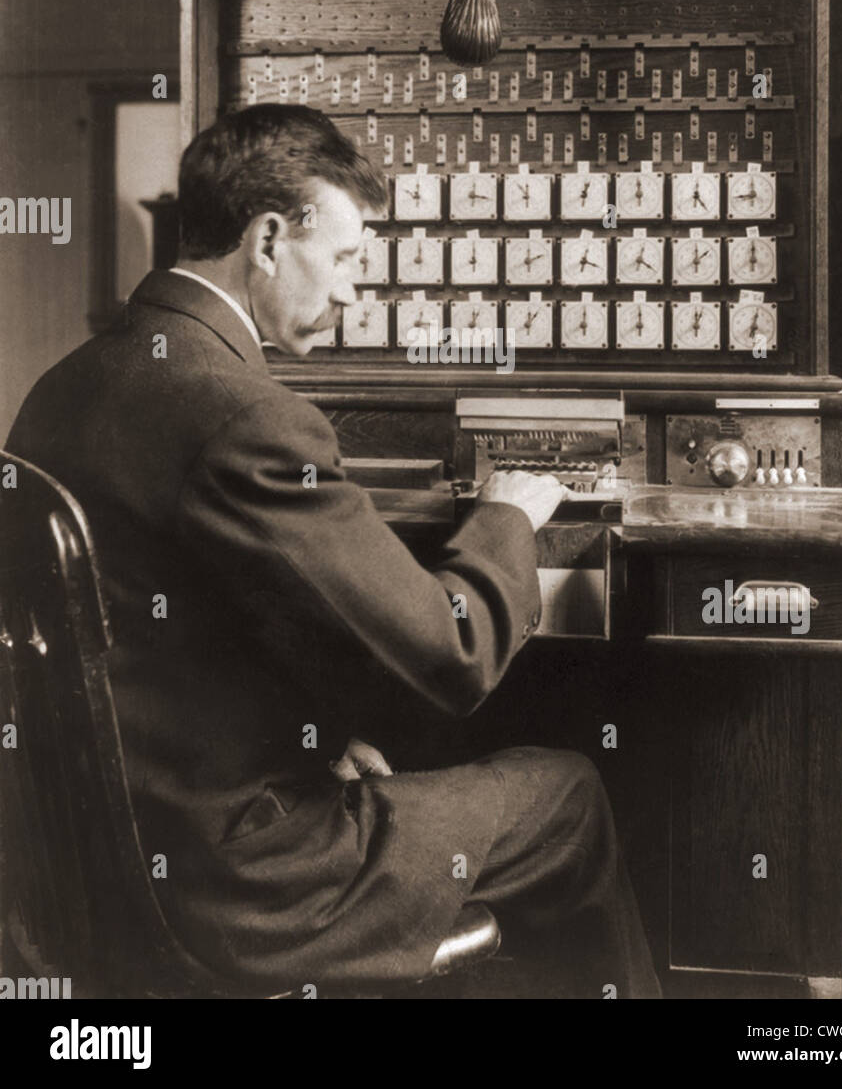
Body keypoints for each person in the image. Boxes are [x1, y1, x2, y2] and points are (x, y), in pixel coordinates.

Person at [6, 105, 660, 998]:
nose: (356, 290)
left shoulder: (62, 387)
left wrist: (308, 741)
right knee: (568, 797)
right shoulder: (247, 417)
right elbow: (450, 651)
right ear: (269, 238)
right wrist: (506, 517)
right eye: (349, 257)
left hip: (91, 867)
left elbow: (173, 638)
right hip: (243, 888)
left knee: (401, 754)